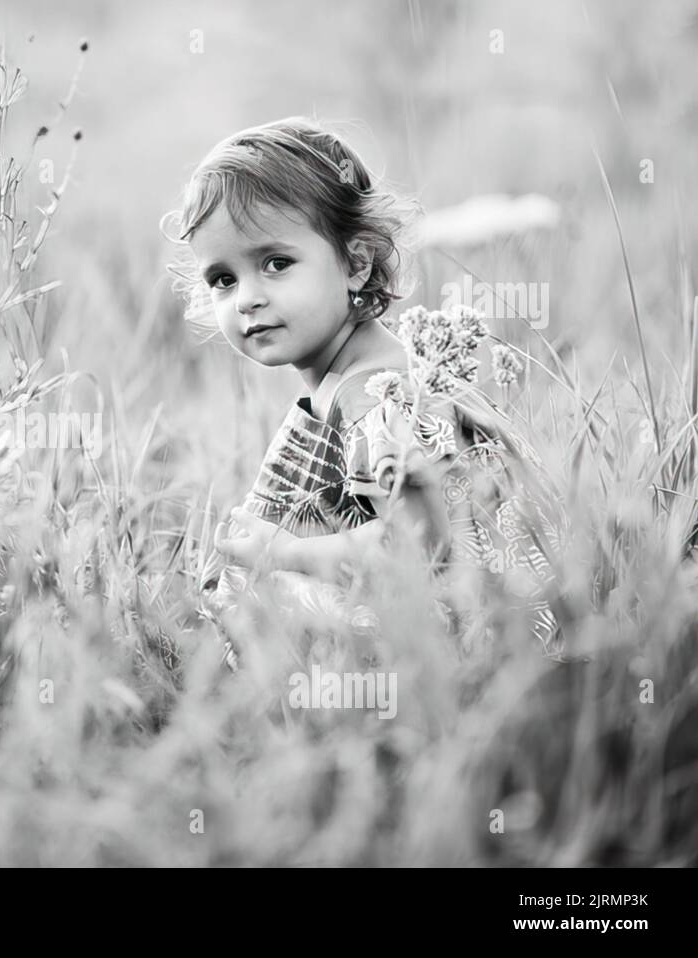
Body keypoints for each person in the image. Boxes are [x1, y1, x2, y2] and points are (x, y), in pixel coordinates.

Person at [161, 117, 567, 667]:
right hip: (493, 618)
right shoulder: (365, 375)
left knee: (261, 596)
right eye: (223, 280)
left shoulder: (378, 396)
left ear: (356, 263)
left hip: (489, 636)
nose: (246, 298)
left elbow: (420, 541)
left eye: (276, 263)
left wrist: (287, 552)